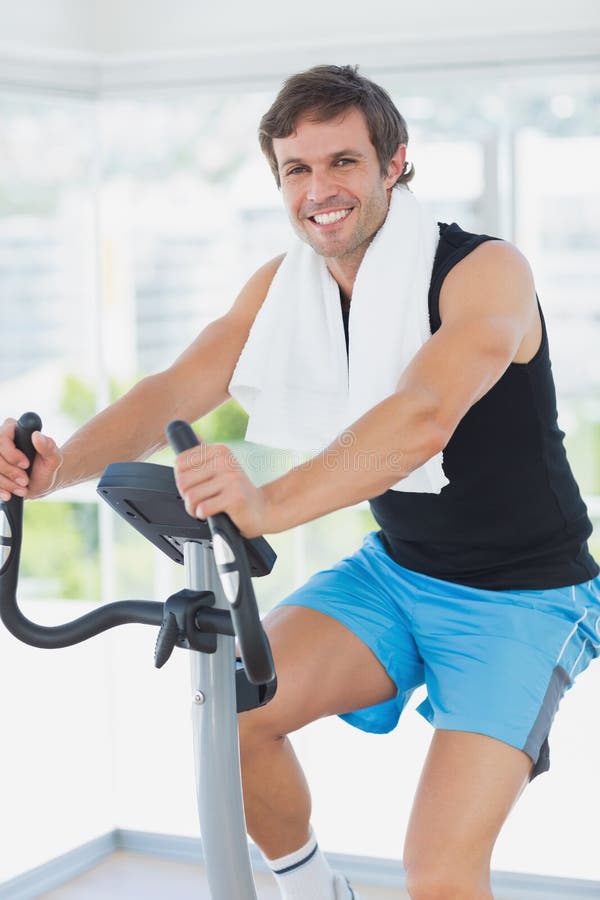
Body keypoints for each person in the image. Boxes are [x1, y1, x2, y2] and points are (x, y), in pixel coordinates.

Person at [1, 64, 599, 900]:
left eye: (344, 162)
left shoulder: (485, 271)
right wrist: (54, 467)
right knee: (232, 717)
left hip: (526, 597)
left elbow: (422, 416)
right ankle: (317, 888)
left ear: (394, 164)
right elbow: (178, 389)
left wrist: (266, 504)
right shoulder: (287, 287)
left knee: (439, 877)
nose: (319, 188)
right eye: (297, 169)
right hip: (400, 570)